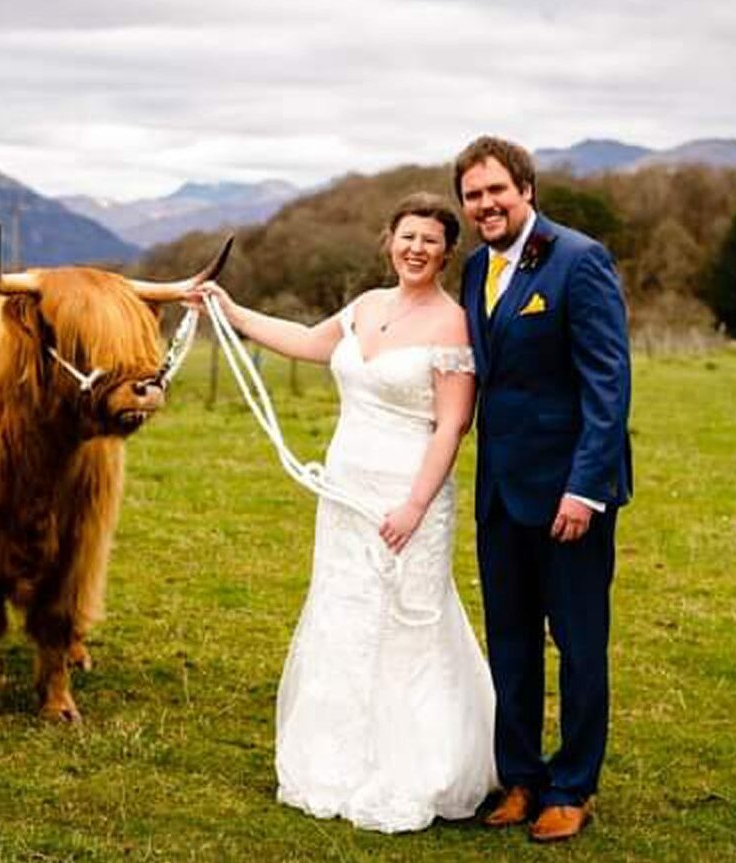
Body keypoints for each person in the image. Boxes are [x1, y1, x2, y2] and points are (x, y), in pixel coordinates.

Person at [190, 192, 497, 833]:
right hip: (346, 491)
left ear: (447, 253)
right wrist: (231, 310)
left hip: (407, 495)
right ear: (390, 241)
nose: (416, 249)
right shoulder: (364, 306)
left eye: (431, 240)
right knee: (345, 610)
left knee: (409, 617)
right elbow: (306, 342)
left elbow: (453, 424)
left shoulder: (453, 324)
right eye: (407, 236)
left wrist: (415, 506)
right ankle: (336, 757)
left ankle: (420, 765)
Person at [454, 136, 632, 843]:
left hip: (568, 495)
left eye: (496, 189)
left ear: (526, 189)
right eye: (473, 195)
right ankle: (521, 777)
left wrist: (585, 489)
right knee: (511, 641)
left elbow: (607, 385)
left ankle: (572, 785)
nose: (485, 204)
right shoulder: (475, 269)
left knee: (579, 644)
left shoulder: (579, 261)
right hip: (500, 492)